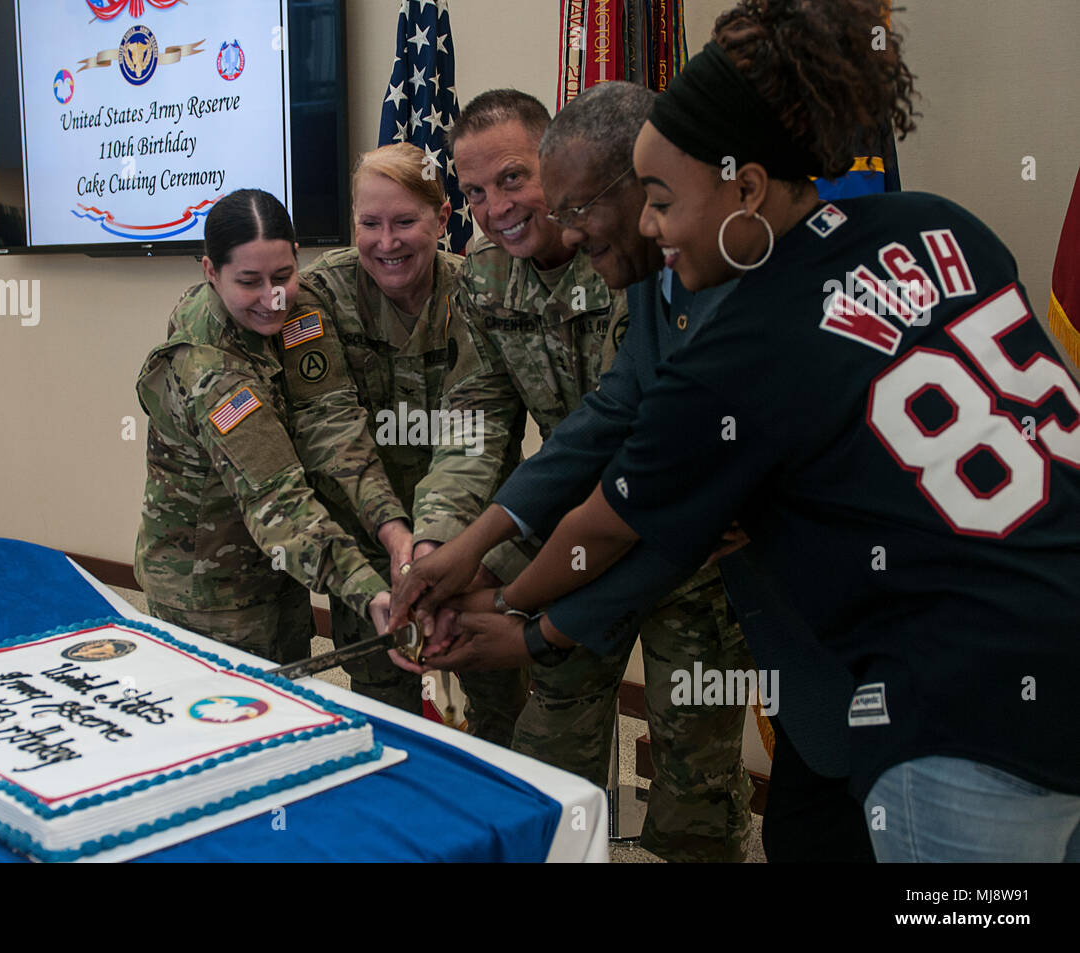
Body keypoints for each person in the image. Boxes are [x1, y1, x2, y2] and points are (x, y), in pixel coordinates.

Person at [399, 0, 1080, 862]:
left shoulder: (747, 337)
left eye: (660, 201)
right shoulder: (940, 224)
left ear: (745, 188)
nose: (649, 227)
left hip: (962, 711)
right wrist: (481, 555)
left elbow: (613, 522)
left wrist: (517, 617)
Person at [394, 82, 754, 862]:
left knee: (695, 787)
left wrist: (517, 601)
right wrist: (439, 544)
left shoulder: (653, 260)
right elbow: (476, 428)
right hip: (578, 537)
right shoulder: (484, 278)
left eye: (514, 179)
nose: (497, 209)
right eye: (475, 191)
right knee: (548, 762)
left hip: (687, 546)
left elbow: (646, 464)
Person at [279, 142, 529, 731]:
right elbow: (330, 427)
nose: (386, 242)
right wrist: (397, 542)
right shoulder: (319, 298)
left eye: (404, 222)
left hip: (478, 547)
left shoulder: (479, 295)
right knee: (383, 714)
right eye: (370, 223)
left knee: (502, 707)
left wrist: (435, 549)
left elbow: (477, 432)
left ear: (443, 219)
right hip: (372, 547)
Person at [135, 189, 392, 664]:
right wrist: (370, 591)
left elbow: (329, 420)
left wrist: (389, 525)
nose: (272, 298)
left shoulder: (297, 308)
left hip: (278, 569)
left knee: (289, 699)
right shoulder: (211, 370)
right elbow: (278, 501)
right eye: (249, 281)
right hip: (210, 596)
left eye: (283, 276)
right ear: (211, 272)